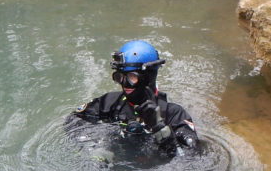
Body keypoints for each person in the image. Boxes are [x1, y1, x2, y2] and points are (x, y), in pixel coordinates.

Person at [66, 39, 199, 157]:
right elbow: (73, 120)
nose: (124, 84)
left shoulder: (174, 114)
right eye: (119, 77)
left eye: (131, 77)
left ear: (148, 77)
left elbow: (191, 157)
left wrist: (160, 128)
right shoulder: (110, 103)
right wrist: (92, 147)